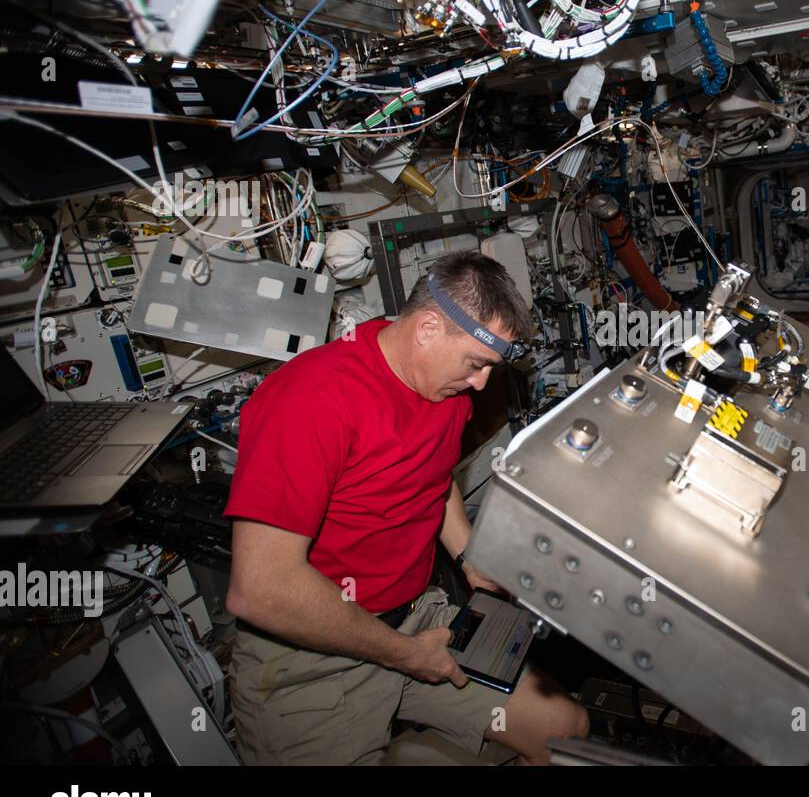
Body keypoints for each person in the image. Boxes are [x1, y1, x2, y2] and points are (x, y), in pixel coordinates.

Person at [223, 250, 588, 764]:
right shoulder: (313, 400)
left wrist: (466, 555)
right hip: (314, 654)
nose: (482, 383)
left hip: (417, 619)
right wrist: (406, 656)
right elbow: (260, 591)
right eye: (477, 363)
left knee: (563, 730)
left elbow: (434, 478)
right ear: (428, 328)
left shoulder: (445, 387)